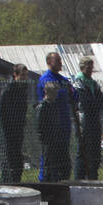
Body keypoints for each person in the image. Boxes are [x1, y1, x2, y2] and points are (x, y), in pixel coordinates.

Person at [35, 51, 76, 181]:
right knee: (48, 163)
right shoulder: (45, 79)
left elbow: (73, 95)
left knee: (64, 163)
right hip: (51, 130)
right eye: (57, 61)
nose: (60, 63)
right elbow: (53, 96)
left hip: (64, 125)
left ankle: (62, 186)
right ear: (49, 63)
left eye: (60, 60)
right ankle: (44, 195)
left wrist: (68, 91)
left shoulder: (63, 80)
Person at [0, 64, 32, 183]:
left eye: (26, 75)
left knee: (18, 160)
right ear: (15, 75)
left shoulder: (23, 90)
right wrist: (10, 126)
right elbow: (2, 111)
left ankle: (17, 181)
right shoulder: (8, 90)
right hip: (9, 131)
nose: (24, 78)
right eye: (22, 75)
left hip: (18, 129)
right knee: (9, 160)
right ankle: (7, 182)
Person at [73, 56, 103, 180]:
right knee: (83, 152)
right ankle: (79, 178)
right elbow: (84, 103)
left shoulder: (94, 84)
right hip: (83, 122)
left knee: (95, 152)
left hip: (95, 121)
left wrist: (93, 102)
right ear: (82, 68)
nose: (91, 69)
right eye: (88, 67)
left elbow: (101, 102)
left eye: (92, 67)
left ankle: (93, 177)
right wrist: (93, 102)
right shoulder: (77, 83)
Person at [37, 80, 71, 181]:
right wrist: (46, 139)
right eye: (54, 92)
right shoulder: (43, 107)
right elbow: (40, 126)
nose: (56, 95)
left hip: (57, 139)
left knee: (63, 165)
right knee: (49, 166)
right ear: (48, 92)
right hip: (48, 141)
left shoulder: (54, 105)